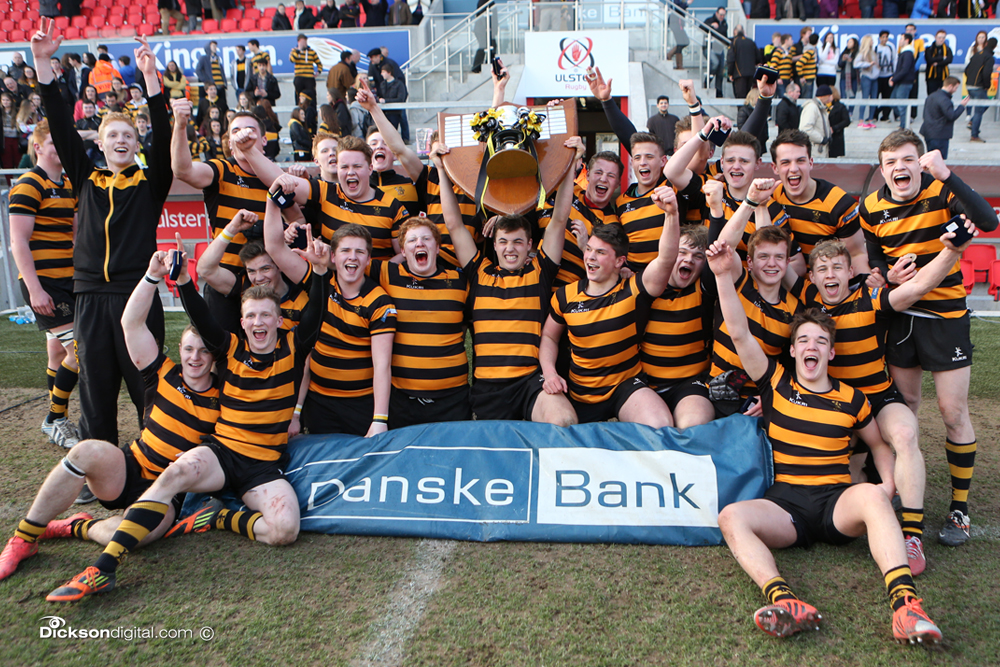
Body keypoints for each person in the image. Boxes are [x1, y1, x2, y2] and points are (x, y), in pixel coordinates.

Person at [45, 232, 328, 602]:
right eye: (251, 316)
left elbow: (316, 313)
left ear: (278, 320)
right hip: (221, 453)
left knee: (285, 530)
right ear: (242, 322)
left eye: (265, 315)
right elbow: (202, 318)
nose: (258, 322)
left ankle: (221, 517)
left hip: (262, 466)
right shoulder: (229, 348)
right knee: (175, 474)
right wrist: (182, 281)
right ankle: (104, 568)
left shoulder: (294, 346)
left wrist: (320, 272)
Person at [707, 240, 943, 645]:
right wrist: (721, 275)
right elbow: (740, 332)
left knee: (872, 496)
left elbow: (878, 445)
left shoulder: (852, 398)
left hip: (836, 503)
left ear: (831, 352)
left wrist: (887, 484)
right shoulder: (775, 382)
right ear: (792, 349)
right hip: (786, 507)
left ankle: (906, 607)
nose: (811, 347)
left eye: (819, 341)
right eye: (803, 340)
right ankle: (785, 601)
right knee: (731, 516)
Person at [0, 243, 220, 585]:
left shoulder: (224, 396)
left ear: (214, 356)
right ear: (179, 349)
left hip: (169, 492)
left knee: (138, 537)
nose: (195, 358)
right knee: (86, 450)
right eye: (189, 349)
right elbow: (130, 324)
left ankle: (79, 527)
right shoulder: (163, 372)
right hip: (129, 468)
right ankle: (24, 539)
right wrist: (152, 277)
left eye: (204, 351)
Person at [790, 221, 978, 575]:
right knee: (851, 493)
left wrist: (952, 251)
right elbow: (769, 266)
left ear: (851, 272)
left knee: (905, 435)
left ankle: (912, 535)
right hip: (838, 409)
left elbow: (919, 286)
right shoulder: (806, 299)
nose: (830, 275)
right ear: (811, 277)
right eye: (822, 269)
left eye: (837, 267)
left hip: (879, 400)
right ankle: (877, 492)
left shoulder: (870, 297)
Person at [34, 24, 171, 448]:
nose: (121, 140)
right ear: (102, 143)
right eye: (113, 135)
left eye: (128, 135)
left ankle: (157, 462)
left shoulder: (151, 182)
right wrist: (42, 63)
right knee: (95, 392)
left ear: (137, 145)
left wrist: (150, 78)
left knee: (148, 387)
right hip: (90, 297)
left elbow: (163, 133)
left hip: (136, 295)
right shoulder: (86, 178)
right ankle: (100, 467)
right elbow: (60, 124)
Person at [860, 130, 998, 547]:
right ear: (882, 169)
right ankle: (901, 488)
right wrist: (886, 274)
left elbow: (989, 222)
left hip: (945, 318)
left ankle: (960, 508)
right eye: (891, 162)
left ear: (920, 163)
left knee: (953, 411)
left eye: (907, 160)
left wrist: (947, 173)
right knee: (906, 409)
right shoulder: (870, 207)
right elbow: (875, 258)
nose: (899, 168)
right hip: (901, 317)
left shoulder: (941, 190)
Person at [430, 137, 580, 425]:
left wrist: (571, 162)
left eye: (517, 242)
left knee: (564, 421)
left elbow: (559, 219)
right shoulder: (479, 272)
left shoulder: (539, 271)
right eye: (504, 242)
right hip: (489, 388)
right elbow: (454, 225)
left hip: (530, 382)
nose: (510, 248)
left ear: (529, 246)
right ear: (495, 245)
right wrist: (439, 168)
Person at [539, 189, 680, 427]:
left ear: (619, 261)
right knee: (561, 426)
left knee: (660, 424)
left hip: (625, 386)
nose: (590, 257)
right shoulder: (565, 296)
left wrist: (672, 214)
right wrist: (550, 373)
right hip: (581, 392)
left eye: (600, 252)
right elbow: (549, 337)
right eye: (589, 249)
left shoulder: (634, 289)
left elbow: (666, 259)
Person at [8, 119, 80, 450]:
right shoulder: (28, 184)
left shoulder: (68, 183)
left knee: (57, 351)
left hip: (69, 280)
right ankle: (55, 418)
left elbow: (74, 235)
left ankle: (57, 417)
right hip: (45, 283)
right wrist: (35, 289)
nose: (59, 147)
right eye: (53, 142)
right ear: (37, 147)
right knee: (79, 351)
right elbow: (18, 242)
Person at [640, 223, 716, 429]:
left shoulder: (704, 289)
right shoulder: (647, 287)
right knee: (656, 427)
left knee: (693, 425)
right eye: (682, 252)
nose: (689, 259)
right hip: (646, 383)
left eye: (698, 256)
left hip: (690, 383)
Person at [769, 129, 866, 269]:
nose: (794, 168)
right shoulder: (770, 197)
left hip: (828, 280)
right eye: (785, 162)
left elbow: (856, 255)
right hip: (784, 278)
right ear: (775, 167)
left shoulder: (840, 203)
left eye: (800, 161)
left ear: (811, 163)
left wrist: (866, 280)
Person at [920, 77, 968, 159]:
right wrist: (961, 106)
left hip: (928, 132)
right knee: (940, 160)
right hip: (940, 134)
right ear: (950, 86)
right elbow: (951, 116)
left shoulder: (932, 96)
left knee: (930, 159)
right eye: (956, 87)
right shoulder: (945, 100)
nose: (956, 90)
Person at [965, 37, 995, 144]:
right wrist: (987, 85)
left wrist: (970, 80)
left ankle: (972, 121)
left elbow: (966, 69)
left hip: (969, 85)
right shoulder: (989, 57)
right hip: (979, 87)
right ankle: (974, 135)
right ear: (995, 47)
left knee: (986, 104)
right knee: (979, 111)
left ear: (986, 44)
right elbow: (987, 73)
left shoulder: (977, 54)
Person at [889, 33, 916, 129]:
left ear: (907, 40)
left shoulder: (908, 53)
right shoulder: (904, 52)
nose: (899, 41)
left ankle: (904, 126)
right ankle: (904, 122)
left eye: (901, 39)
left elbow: (905, 69)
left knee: (901, 104)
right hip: (900, 82)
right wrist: (894, 77)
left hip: (905, 82)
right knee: (893, 101)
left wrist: (894, 79)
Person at [798, 84, 832, 158]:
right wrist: (821, 139)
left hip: (819, 149)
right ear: (824, 96)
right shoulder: (812, 107)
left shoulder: (820, 108)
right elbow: (805, 128)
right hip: (814, 150)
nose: (830, 99)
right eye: (829, 96)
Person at [727, 25, 759, 101]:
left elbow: (731, 59)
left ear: (735, 32)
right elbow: (758, 57)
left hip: (739, 74)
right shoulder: (751, 42)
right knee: (748, 97)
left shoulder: (734, 42)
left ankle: (742, 109)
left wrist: (730, 73)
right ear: (743, 31)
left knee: (740, 97)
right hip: (751, 73)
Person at [289, 33, 323, 105]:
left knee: (312, 94)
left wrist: (318, 72)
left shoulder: (312, 52)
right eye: (302, 42)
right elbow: (292, 60)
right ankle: (299, 108)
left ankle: (313, 108)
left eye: (305, 42)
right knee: (298, 94)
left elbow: (319, 63)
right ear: (298, 42)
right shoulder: (294, 51)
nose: (304, 44)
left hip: (309, 77)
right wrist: (299, 50)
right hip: (299, 76)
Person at [194, 41, 228, 105]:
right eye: (213, 46)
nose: (215, 47)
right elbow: (198, 70)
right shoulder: (204, 58)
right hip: (212, 87)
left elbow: (221, 71)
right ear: (208, 47)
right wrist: (206, 81)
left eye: (216, 46)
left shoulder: (217, 58)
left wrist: (225, 83)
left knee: (222, 104)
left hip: (221, 86)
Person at [738, 89, 768, 156]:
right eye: (758, 97)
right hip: (749, 141)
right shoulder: (744, 110)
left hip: (760, 142)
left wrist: (765, 137)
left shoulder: (761, 110)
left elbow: (765, 125)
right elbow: (741, 126)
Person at [924, 30, 953, 97]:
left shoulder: (947, 49)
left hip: (944, 77)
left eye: (943, 38)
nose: (941, 39)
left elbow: (949, 60)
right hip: (931, 77)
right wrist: (942, 58)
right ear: (935, 37)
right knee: (932, 96)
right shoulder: (929, 49)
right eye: (939, 37)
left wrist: (937, 64)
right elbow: (929, 60)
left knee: (943, 96)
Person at [874, 31, 895, 123]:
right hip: (878, 76)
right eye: (883, 37)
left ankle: (885, 116)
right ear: (879, 38)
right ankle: (874, 115)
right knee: (875, 96)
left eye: (886, 37)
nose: (885, 39)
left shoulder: (890, 47)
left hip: (888, 75)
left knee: (887, 96)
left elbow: (894, 60)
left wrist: (894, 74)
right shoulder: (876, 48)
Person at [827, 88, 850, 159]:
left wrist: (834, 128)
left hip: (836, 137)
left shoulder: (840, 107)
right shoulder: (821, 106)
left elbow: (846, 121)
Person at [838, 37, 860, 112]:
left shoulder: (857, 53)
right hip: (844, 78)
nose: (848, 44)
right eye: (848, 42)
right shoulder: (844, 53)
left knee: (852, 96)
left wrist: (852, 61)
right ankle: (843, 112)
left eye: (850, 42)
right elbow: (839, 65)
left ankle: (850, 112)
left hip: (854, 78)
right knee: (843, 96)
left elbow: (859, 65)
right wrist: (843, 60)